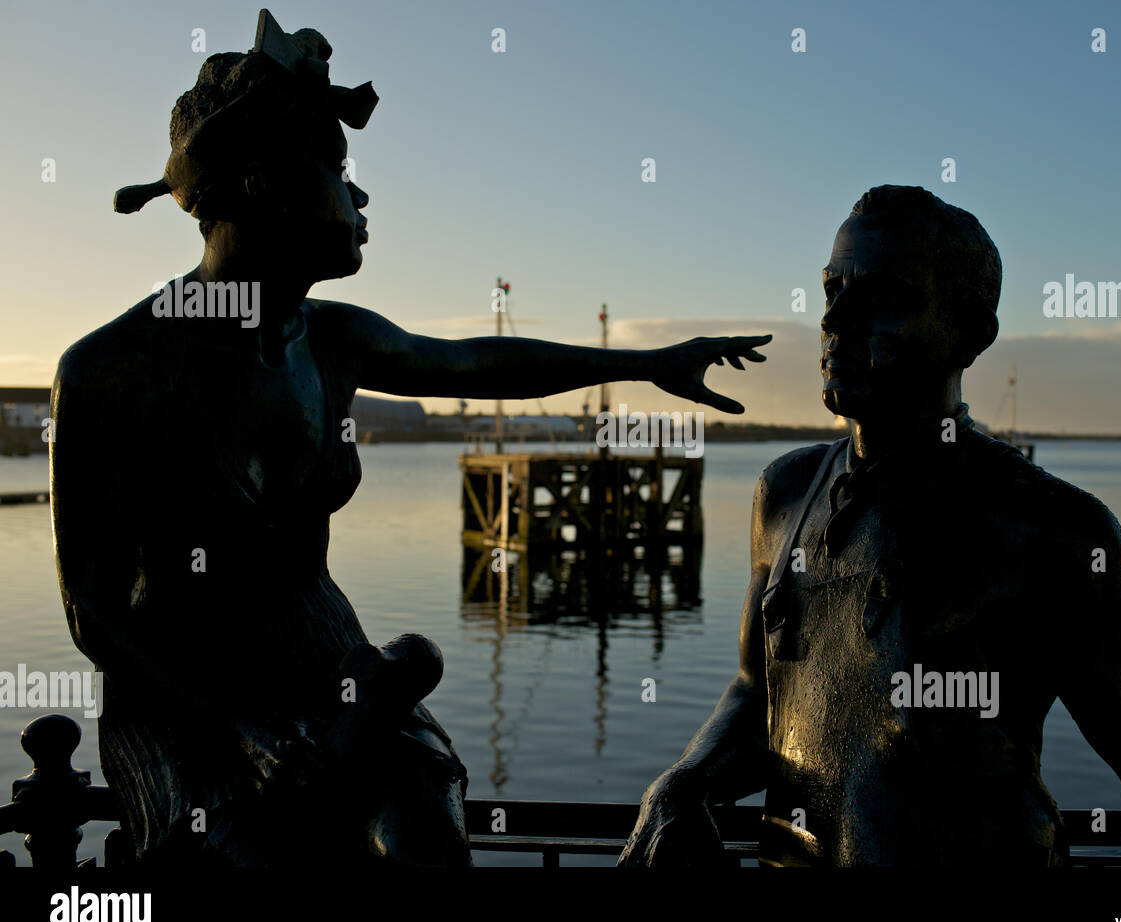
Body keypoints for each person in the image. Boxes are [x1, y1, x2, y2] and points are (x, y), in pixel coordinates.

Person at [50, 10, 767, 866]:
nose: (359, 198)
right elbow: (91, 610)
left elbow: (478, 362)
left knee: (422, 842)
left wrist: (649, 361)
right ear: (264, 184)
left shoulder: (331, 340)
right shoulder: (111, 368)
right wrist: (237, 731)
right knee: (234, 858)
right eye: (337, 169)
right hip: (185, 695)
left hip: (327, 665)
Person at [618, 185, 1121, 867]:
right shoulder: (786, 494)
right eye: (831, 291)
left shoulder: (1050, 531)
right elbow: (754, 690)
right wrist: (686, 780)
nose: (838, 320)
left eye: (883, 297)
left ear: (970, 331)